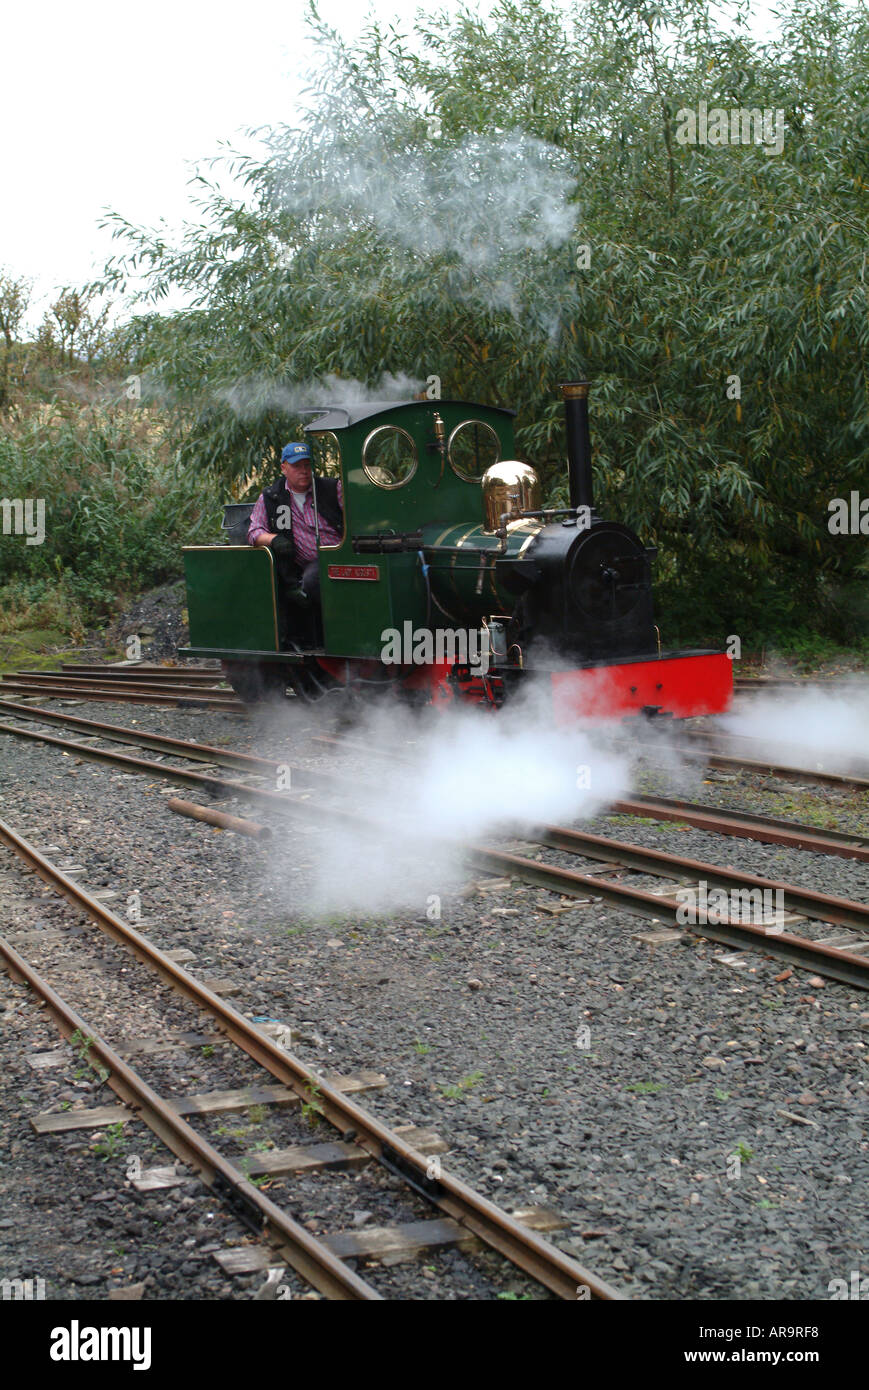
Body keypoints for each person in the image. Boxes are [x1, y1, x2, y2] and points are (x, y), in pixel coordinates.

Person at [247, 442, 343, 645]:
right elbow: (254, 532)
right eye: (297, 466)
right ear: (284, 467)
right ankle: (325, 640)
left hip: (340, 556)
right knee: (311, 581)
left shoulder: (332, 488)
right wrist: (273, 539)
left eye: (307, 465)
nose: (304, 471)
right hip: (304, 567)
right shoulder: (271, 497)